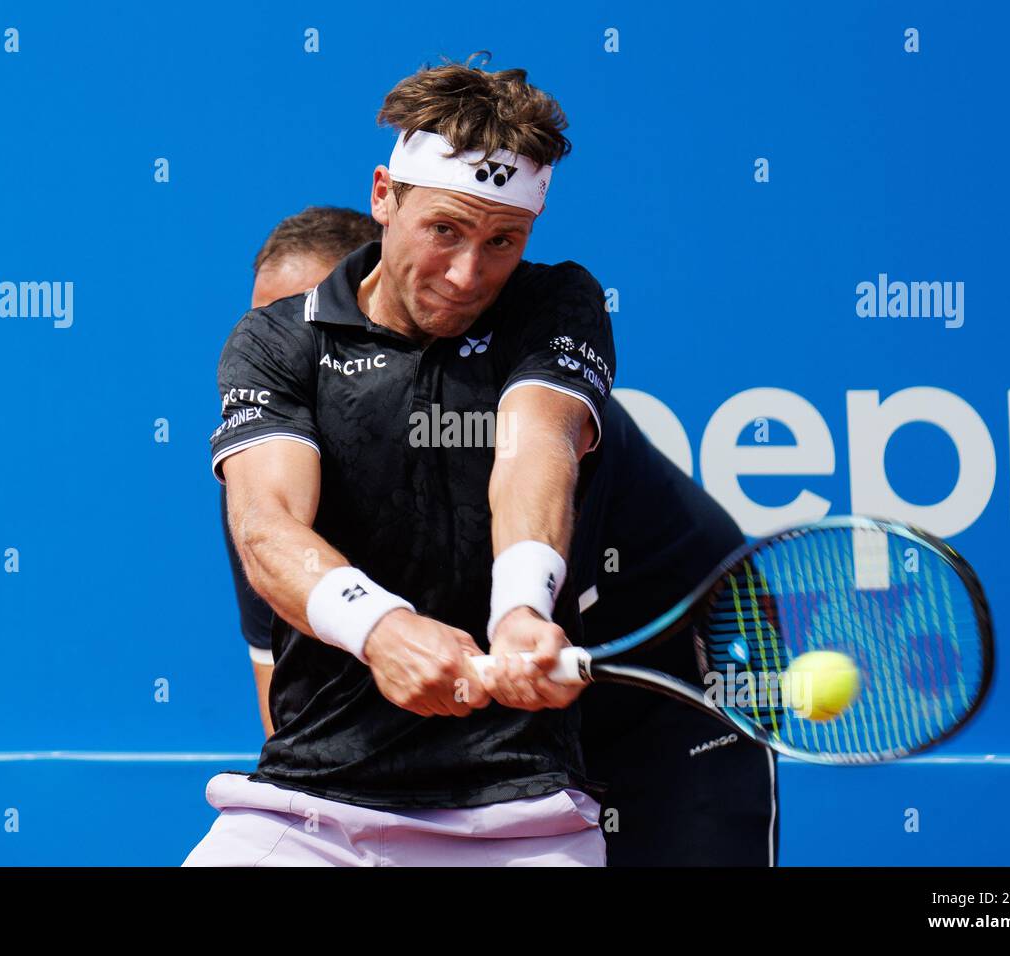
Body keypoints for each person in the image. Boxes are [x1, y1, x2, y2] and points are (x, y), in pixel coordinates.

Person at [212, 205, 778, 866]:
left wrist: (516, 616)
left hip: (675, 685)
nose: (293, 351)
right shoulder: (268, 459)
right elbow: (293, 705)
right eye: (269, 324)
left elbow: (531, 555)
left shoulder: (532, 419)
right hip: (518, 723)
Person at [185, 55, 614, 866]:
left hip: (521, 816)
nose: (467, 273)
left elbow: (535, 448)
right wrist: (380, 628)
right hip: (309, 809)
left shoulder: (556, 304)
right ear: (384, 195)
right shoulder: (280, 341)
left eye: (502, 241)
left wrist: (521, 607)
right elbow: (267, 527)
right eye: (444, 230)